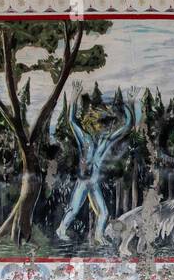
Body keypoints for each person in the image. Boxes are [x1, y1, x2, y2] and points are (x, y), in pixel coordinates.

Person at [56, 100, 136, 245]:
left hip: (94, 182)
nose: (104, 127)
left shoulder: (106, 140)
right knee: (73, 210)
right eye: (102, 123)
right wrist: (74, 99)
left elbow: (127, 126)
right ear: (93, 124)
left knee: (104, 213)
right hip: (84, 181)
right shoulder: (85, 138)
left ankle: (99, 236)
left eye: (106, 124)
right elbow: (72, 121)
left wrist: (129, 104)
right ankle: (61, 230)